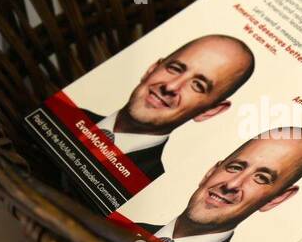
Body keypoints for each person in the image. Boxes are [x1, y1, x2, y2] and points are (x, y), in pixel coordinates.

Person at [135, 126, 302, 242]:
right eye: (235, 167)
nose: (232, 184)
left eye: (261, 178)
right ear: (211, 172)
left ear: (276, 199)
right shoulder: (118, 226)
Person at [82, 34, 256, 180]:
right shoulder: (65, 113)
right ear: (152, 69)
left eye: (197, 85)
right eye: (175, 68)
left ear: (210, 111)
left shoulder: (148, 186)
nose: (171, 87)